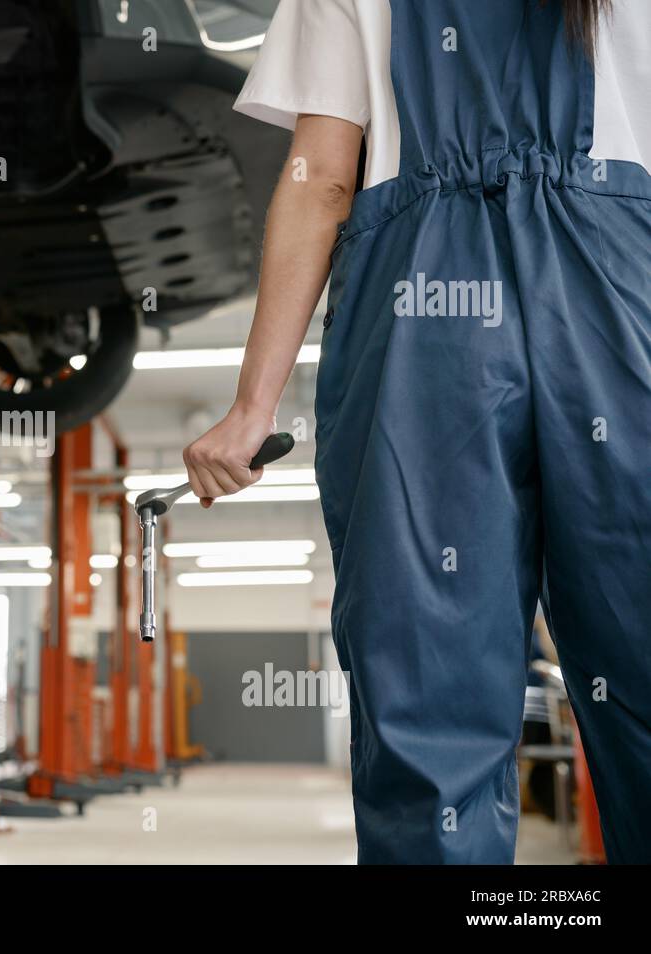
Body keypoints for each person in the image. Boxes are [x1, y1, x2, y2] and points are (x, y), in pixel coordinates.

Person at [182, 0, 650, 863]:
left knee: (425, 701)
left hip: (423, 312)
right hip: (626, 298)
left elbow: (321, 177)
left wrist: (255, 406)